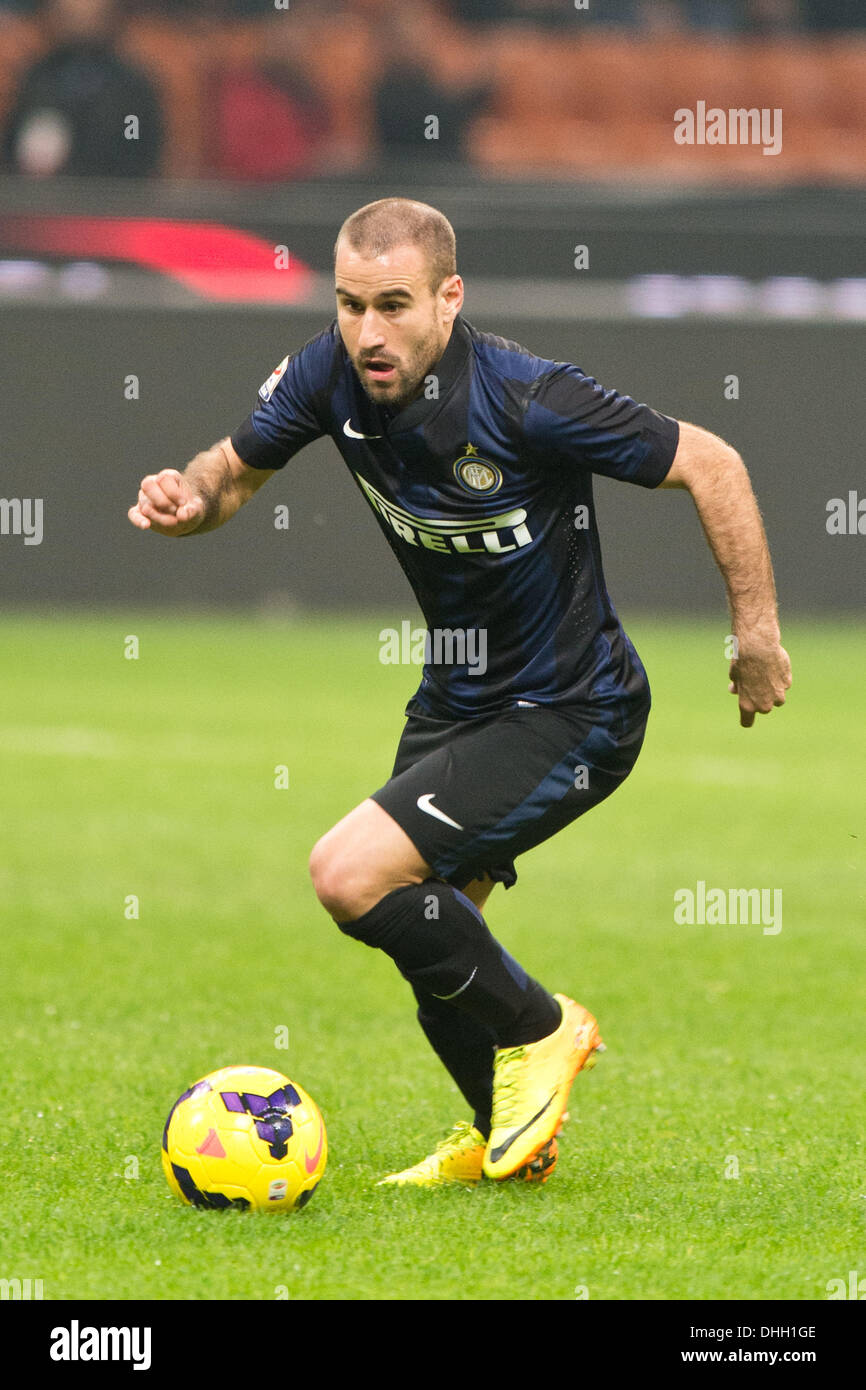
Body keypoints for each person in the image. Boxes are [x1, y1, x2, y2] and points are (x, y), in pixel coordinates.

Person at [128, 198, 791, 1188]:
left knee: (348, 875)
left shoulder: (525, 396)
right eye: (349, 304)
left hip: (574, 709)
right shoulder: (325, 374)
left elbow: (711, 461)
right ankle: (505, 1147)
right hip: (456, 701)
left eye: (392, 305)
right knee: (436, 940)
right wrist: (186, 501)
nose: (366, 332)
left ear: (448, 298)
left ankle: (547, 1025)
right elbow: (229, 473)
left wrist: (753, 631)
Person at [1, 0, 163, 178]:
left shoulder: (131, 85)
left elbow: (138, 147)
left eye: (90, 16)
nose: (81, 23)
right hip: (46, 194)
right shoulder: (39, 77)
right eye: (70, 16)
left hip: (112, 193)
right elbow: (14, 144)